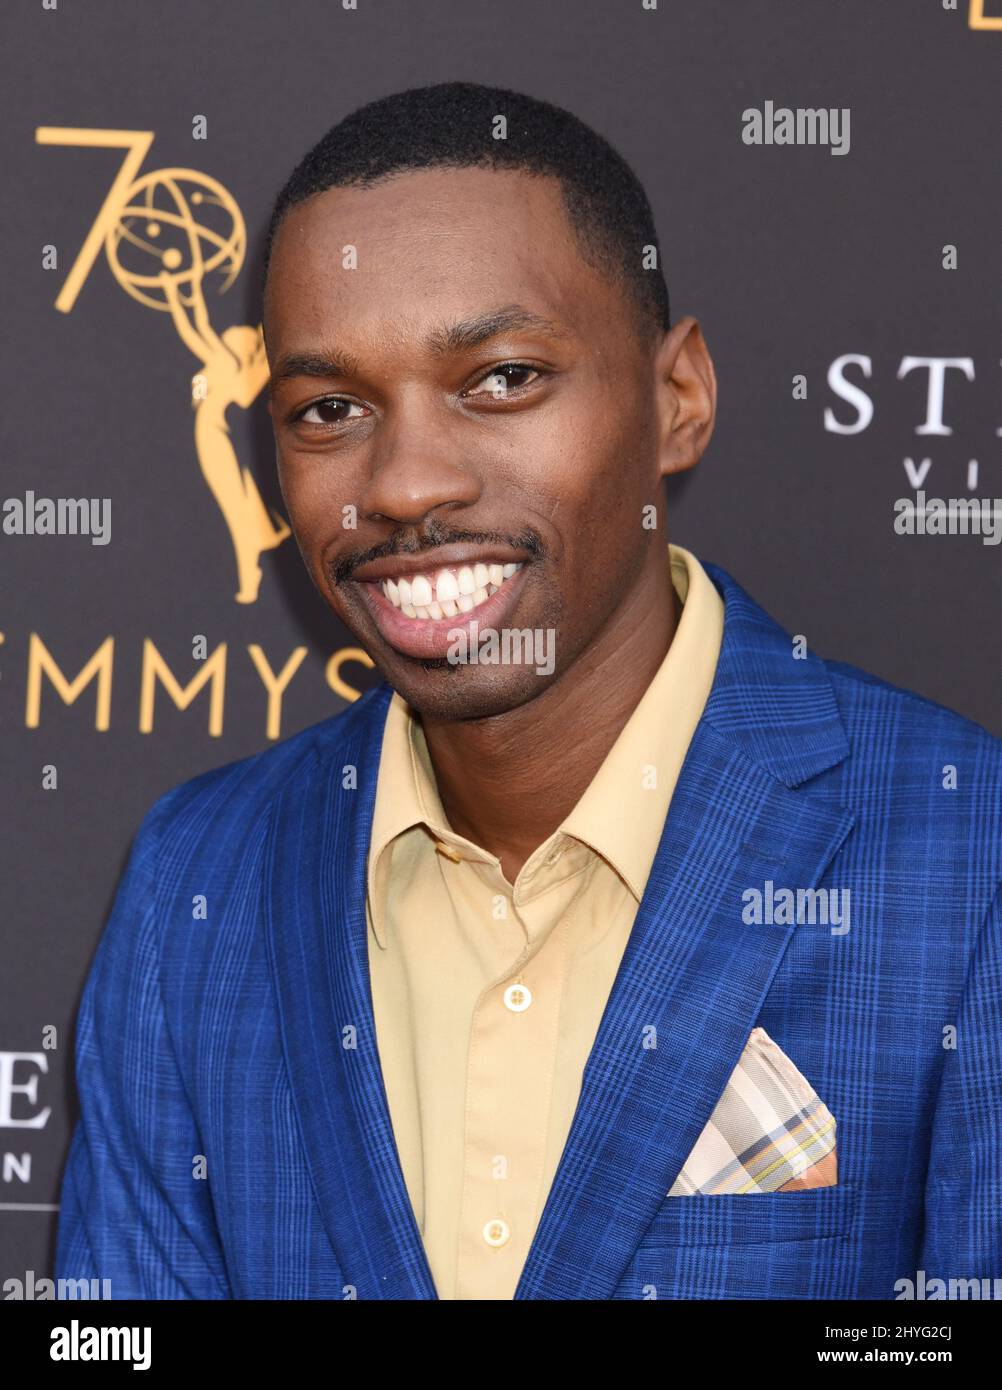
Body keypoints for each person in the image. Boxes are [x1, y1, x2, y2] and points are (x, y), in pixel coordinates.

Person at [56, 81, 1002, 1301]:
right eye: (329, 408)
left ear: (679, 400)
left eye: (500, 379)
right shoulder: (197, 878)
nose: (403, 484)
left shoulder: (967, 852)